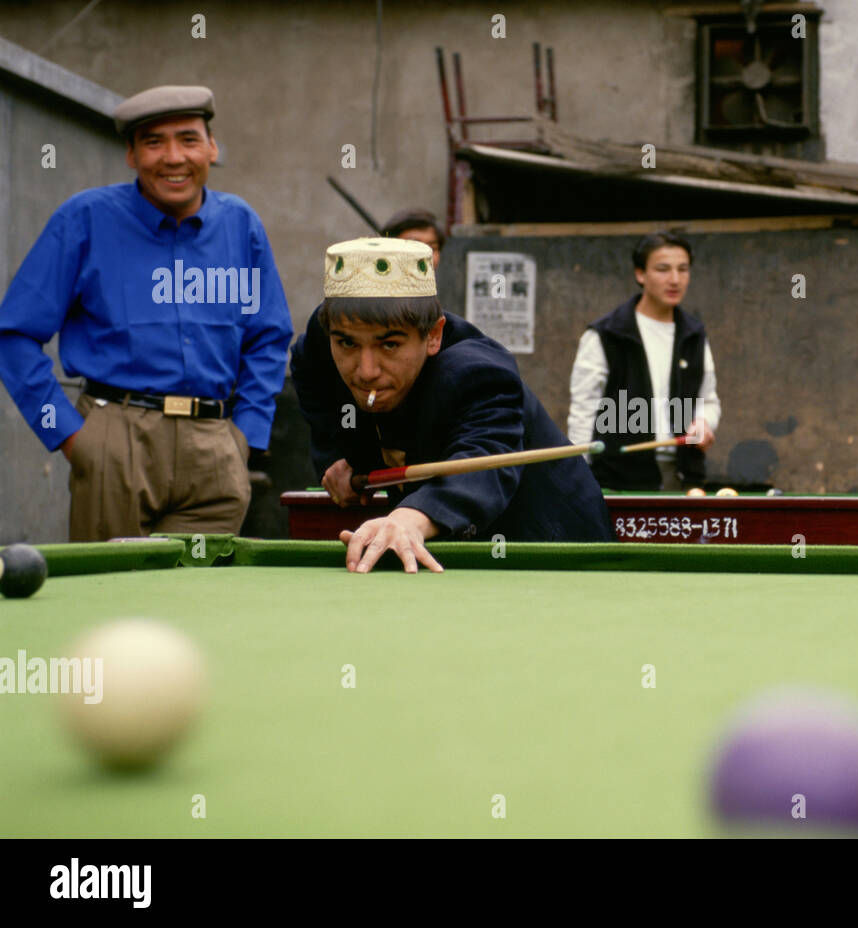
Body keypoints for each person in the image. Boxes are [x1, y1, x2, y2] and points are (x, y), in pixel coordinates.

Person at [0, 85, 293, 541]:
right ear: (131, 154)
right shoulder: (85, 219)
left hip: (215, 447)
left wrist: (246, 438)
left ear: (212, 148)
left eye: (188, 139)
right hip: (113, 441)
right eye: (154, 142)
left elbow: (269, 336)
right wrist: (73, 439)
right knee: (111, 598)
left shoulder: (241, 225)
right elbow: (14, 335)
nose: (173, 157)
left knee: (201, 601)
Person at [290, 238, 613, 574]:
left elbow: (482, 463)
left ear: (433, 335)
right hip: (438, 546)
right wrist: (340, 456)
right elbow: (310, 376)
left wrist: (409, 518)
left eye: (389, 345)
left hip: (550, 547)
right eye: (347, 343)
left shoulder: (480, 375)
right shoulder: (322, 344)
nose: (366, 371)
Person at [568, 232, 721, 491]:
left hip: (685, 480)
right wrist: (577, 477)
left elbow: (708, 401)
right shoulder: (606, 335)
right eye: (663, 269)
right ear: (641, 274)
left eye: (683, 269)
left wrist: (704, 422)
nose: (675, 279)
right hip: (618, 479)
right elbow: (583, 411)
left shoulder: (694, 334)